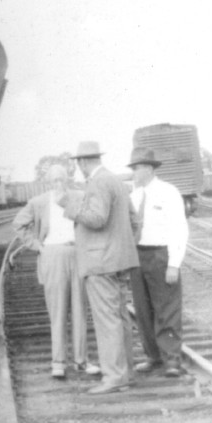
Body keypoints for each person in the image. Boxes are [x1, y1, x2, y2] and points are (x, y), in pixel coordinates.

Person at [59, 141, 139, 394]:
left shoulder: (98, 183)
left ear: (82, 162)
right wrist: (119, 246)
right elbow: (134, 220)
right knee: (120, 317)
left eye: (78, 164)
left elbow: (96, 218)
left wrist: (70, 206)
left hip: (99, 262)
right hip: (116, 260)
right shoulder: (117, 181)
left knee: (107, 321)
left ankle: (114, 377)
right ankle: (126, 373)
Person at [13, 164, 101, 379]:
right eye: (54, 180)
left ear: (68, 179)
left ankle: (81, 361)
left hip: (77, 253)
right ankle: (58, 362)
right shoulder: (39, 202)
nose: (58, 183)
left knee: (80, 309)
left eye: (62, 179)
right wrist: (37, 246)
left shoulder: (79, 196)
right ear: (48, 182)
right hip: (52, 254)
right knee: (58, 310)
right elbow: (19, 224)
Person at [127, 148, 189, 378]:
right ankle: (153, 356)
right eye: (132, 168)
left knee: (167, 309)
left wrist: (174, 263)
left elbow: (179, 228)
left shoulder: (168, 192)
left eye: (136, 168)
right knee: (143, 310)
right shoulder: (134, 195)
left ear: (150, 169)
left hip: (161, 255)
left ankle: (172, 360)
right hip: (138, 256)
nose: (133, 172)